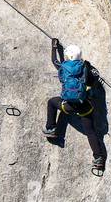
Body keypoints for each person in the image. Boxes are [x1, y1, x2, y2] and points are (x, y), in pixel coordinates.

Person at [44, 38, 106, 172]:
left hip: (68, 106)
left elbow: (54, 61)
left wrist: (54, 47)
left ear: (67, 56)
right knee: (91, 132)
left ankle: (51, 129)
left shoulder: (63, 67)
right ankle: (98, 159)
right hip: (84, 106)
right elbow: (93, 80)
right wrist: (90, 70)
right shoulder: (85, 67)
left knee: (52, 102)